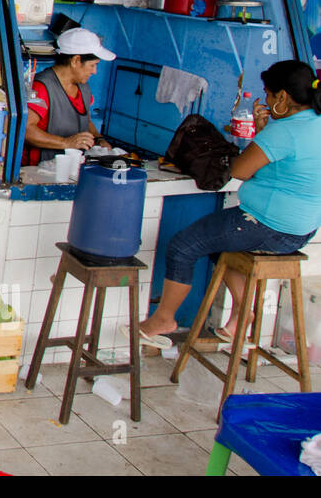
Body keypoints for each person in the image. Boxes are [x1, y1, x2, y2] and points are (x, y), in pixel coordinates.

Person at [136, 60, 321, 347]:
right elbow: (285, 166)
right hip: (302, 229)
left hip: (267, 225)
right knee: (217, 244)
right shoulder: (313, 123)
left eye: (269, 95)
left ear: (283, 96)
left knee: (183, 246)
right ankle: (241, 315)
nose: (267, 101)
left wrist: (265, 133)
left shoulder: (283, 131)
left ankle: (164, 318)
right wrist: (264, 131)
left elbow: (240, 171)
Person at [23, 28, 114, 165]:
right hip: (39, 169)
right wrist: (65, 143)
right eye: (92, 65)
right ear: (76, 60)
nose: (94, 72)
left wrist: (98, 139)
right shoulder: (42, 87)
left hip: (70, 166)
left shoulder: (83, 87)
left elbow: (86, 122)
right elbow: (26, 130)